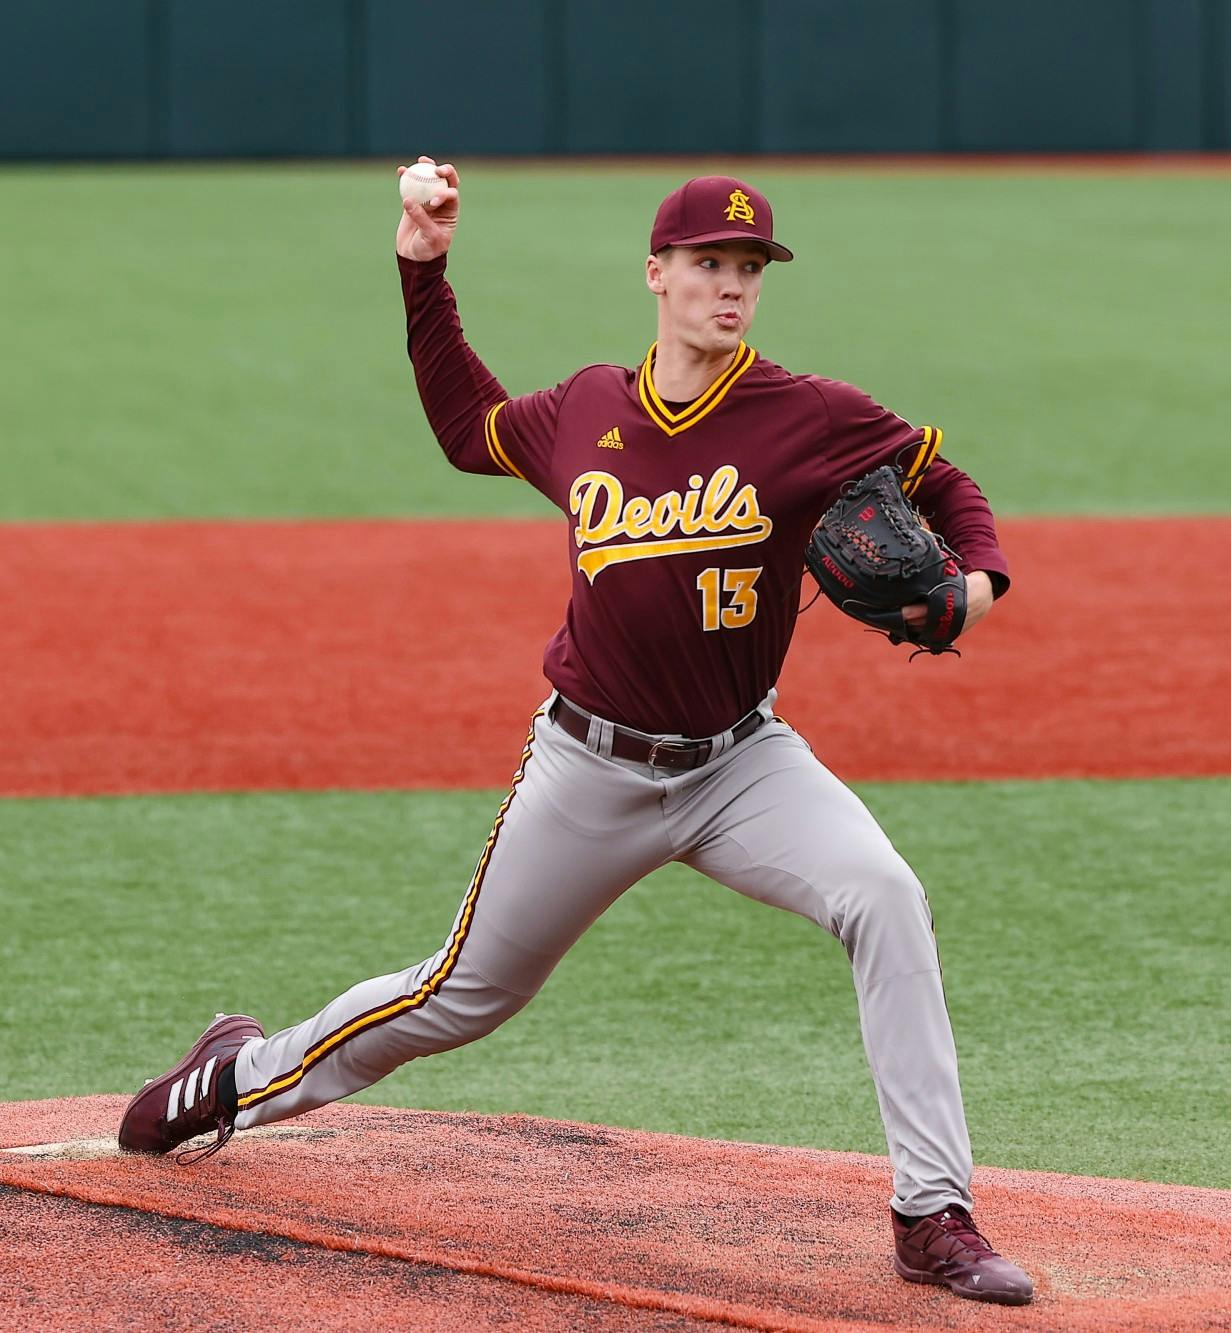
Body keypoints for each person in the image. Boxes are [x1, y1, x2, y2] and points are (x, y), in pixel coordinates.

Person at [119, 161, 1031, 1306]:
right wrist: (421, 263)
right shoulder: (588, 408)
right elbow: (465, 426)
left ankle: (930, 1213)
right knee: (456, 996)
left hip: (742, 764)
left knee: (882, 895)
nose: (731, 286)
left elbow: (943, 485)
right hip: (588, 766)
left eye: (748, 268)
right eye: (707, 263)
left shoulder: (810, 416)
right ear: (656, 274)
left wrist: (977, 586)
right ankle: (234, 1077)